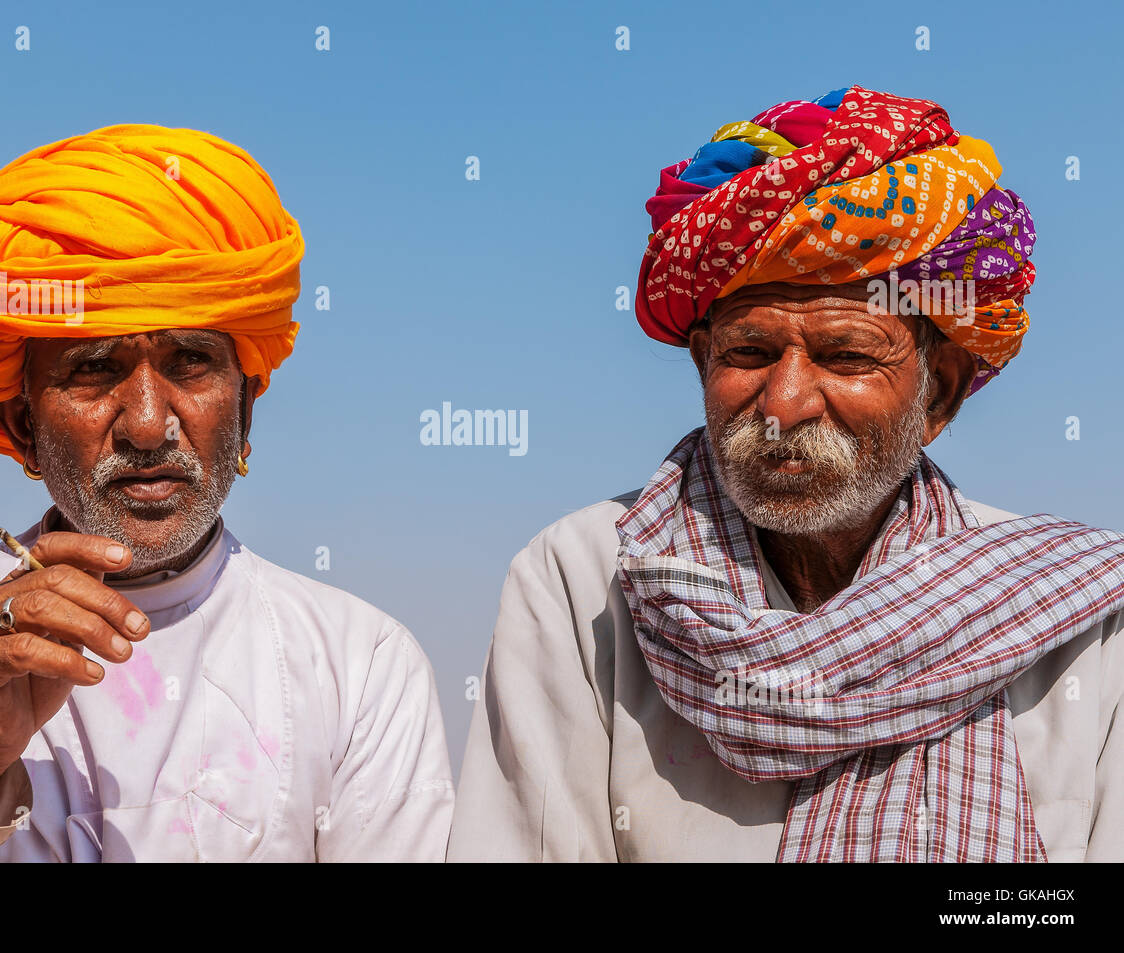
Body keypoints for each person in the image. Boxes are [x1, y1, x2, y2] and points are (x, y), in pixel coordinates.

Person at [448, 85, 1124, 862]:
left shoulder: (1075, 621)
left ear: (939, 390)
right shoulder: (585, 577)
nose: (785, 402)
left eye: (845, 355)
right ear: (703, 361)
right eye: (749, 353)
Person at [0, 124, 453, 862]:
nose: (149, 426)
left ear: (245, 409)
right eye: (94, 367)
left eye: (190, 360)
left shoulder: (358, 666)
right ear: (25, 423)